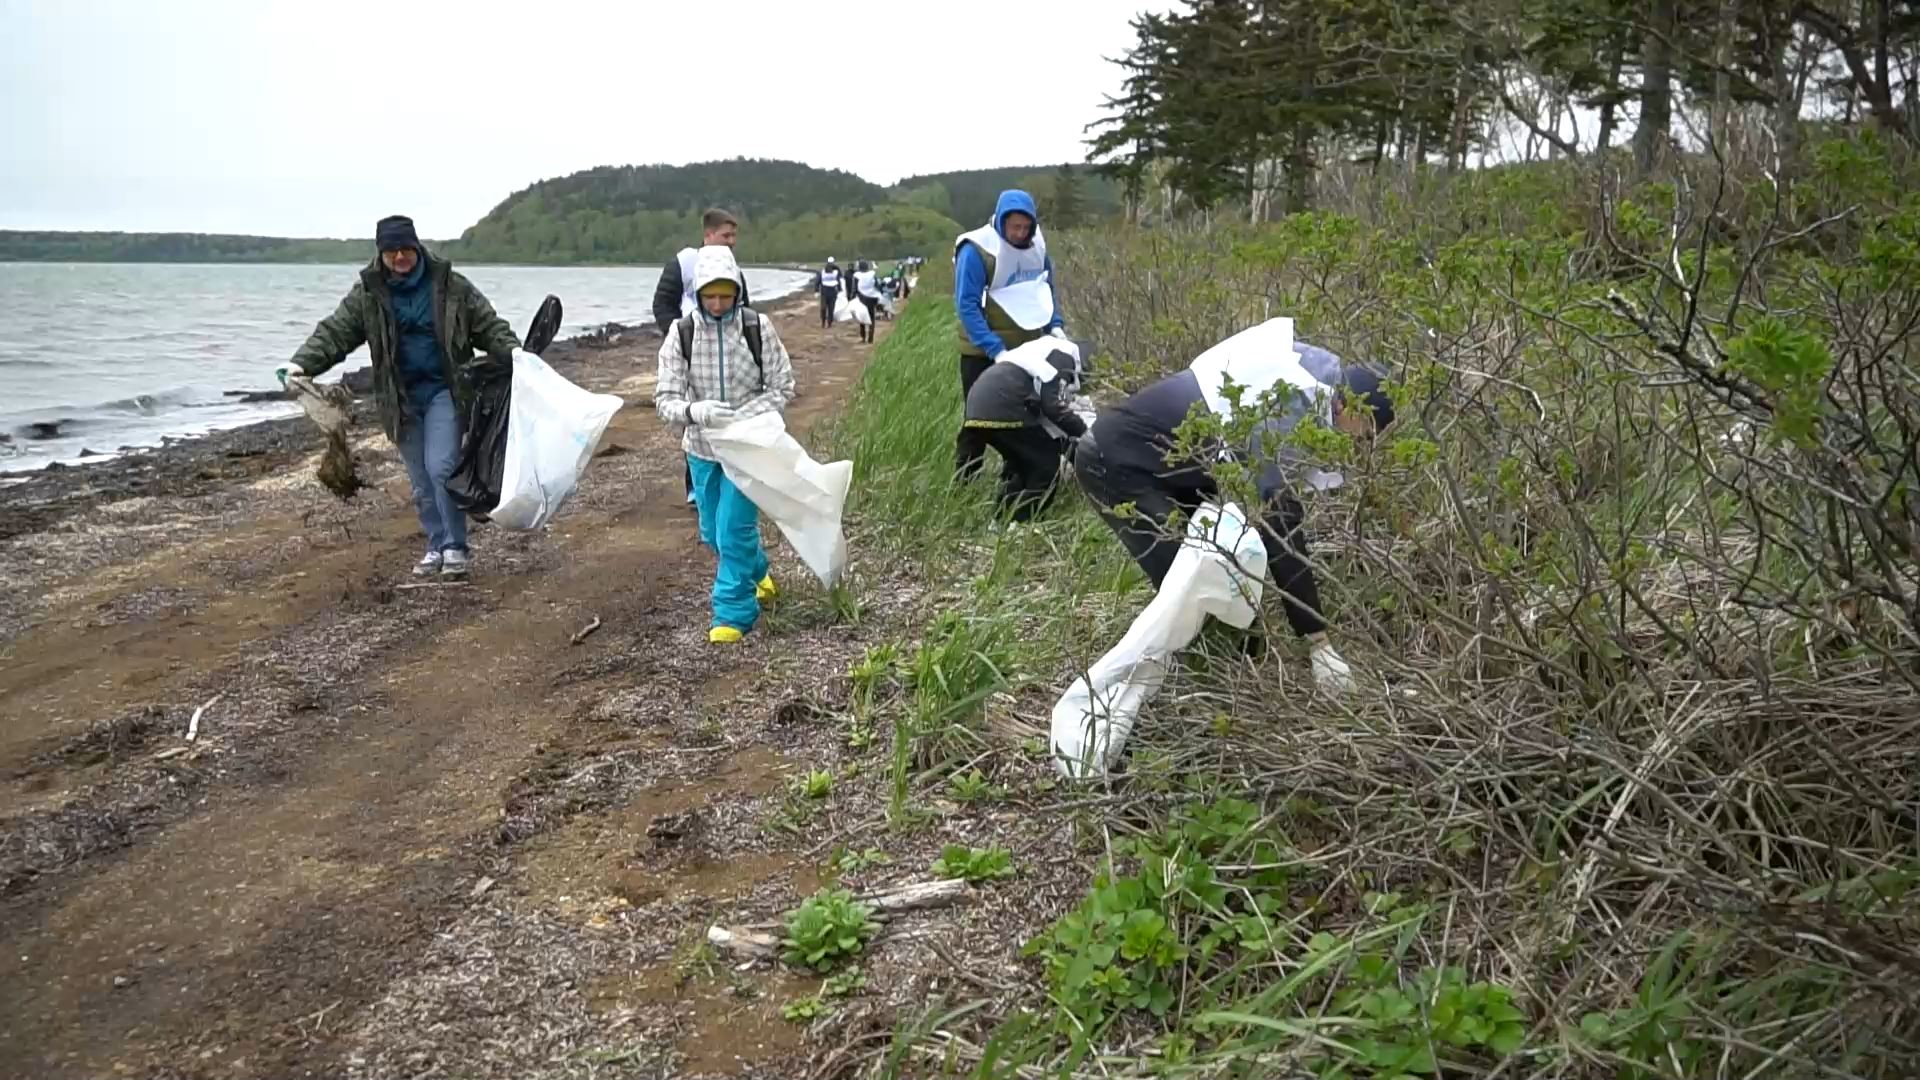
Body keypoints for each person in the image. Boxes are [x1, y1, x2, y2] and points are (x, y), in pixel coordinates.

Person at [1070, 324, 1393, 694]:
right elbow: (1280, 525)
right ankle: (1191, 694)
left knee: (1227, 566)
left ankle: (1243, 669)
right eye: (1366, 433)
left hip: (1178, 463)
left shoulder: (1318, 376)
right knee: (1190, 584)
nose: (1361, 444)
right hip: (1117, 463)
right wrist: (1319, 642)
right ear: (1347, 407)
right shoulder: (1288, 402)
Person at [276, 214, 520, 580]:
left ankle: (456, 547)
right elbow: (336, 332)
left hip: (445, 392)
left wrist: (516, 354)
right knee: (421, 481)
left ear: (417, 246)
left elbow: (488, 325)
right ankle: (435, 546)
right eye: (392, 251)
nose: (400, 257)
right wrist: (299, 364)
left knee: (441, 469)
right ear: (381, 253)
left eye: (406, 248)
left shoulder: (450, 285)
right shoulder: (369, 293)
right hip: (400, 399)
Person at [653, 245, 796, 644]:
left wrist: (747, 414)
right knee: (713, 533)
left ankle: (733, 613)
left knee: (733, 529)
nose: (717, 304)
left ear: (737, 291)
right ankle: (758, 572)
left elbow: (784, 385)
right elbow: (664, 399)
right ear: (697, 293)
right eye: (709, 295)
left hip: (748, 449)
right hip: (701, 449)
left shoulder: (757, 327)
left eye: (725, 294)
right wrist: (695, 410)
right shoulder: (680, 333)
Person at [954, 190, 1064, 479]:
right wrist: (994, 348)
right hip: (981, 351)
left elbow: (1045, 291)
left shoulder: (1037, 249)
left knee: (1020, 418)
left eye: (1026, 228)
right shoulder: (977, 249)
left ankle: (1014, 474)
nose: (1020, 233)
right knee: (978, 419)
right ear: (1001, 221)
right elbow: (966, 304)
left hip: (1025, 352)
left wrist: (1056, 325)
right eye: (1014, 227)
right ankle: (965, 480)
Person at [654, 208, 751, 507]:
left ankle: (732, 477)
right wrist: (680, 340)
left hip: (727, 353)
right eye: (726, 235)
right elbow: (661, 304)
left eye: (734, 235)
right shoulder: (684, 263)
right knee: (693, 418)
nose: (732, 241)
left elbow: (744, 309)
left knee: (726, 413)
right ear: (708, 235)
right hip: (690, 353)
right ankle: (695, 486)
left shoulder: (733, 268)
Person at [955, 341, 1086, 522]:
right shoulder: (1064, 356)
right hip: (1005, 405)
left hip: (978, 403)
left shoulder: (1036, 350)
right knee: (1045, 467)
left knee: (1021, 467)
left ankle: (1000, 520)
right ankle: (1019, 522)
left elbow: (1047, 421)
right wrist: (1086, 434)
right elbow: (1053, 407)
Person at [852, 260, 882, 343]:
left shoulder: (856, 276)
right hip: (872, 298)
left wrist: (852, 298)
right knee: (872, 317)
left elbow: (854, 289)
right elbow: (877, 285)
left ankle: (863, 337)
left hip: (862, 298)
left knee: (862, 318)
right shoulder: (872, 274)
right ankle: (871, 338)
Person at [818, 256, 841, 329]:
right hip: (824, 292)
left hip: (833, 292)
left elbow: (839, 280)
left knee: (831, 309)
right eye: (830, 263)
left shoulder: (836, 271)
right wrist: (816, 289)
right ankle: (823, 322)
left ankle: (829, 323)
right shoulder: (823, 271)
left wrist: (840, 289)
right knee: (823, 308)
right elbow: (818, 280)